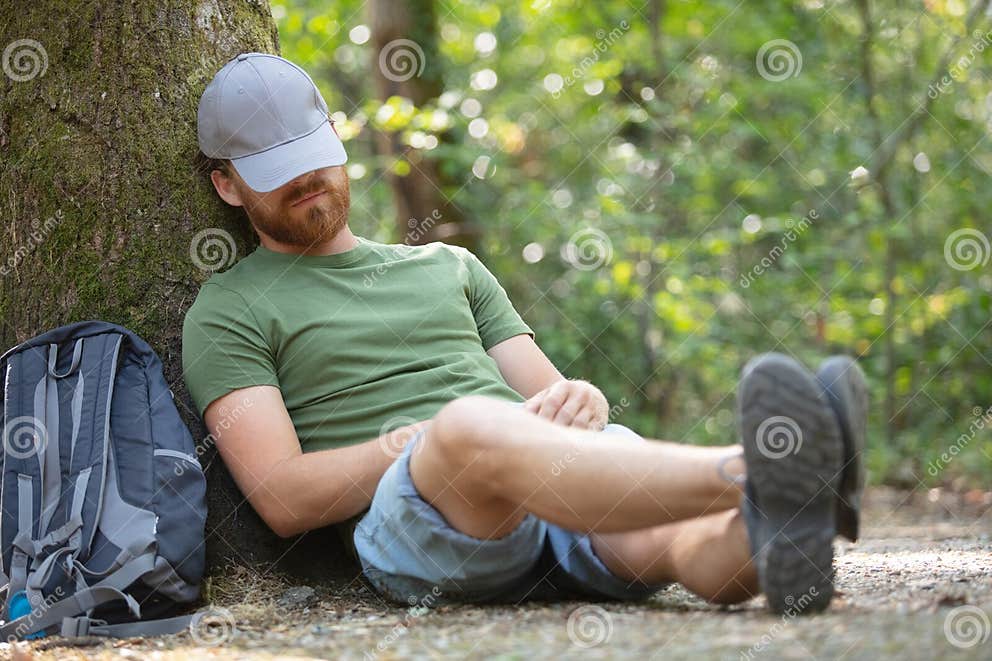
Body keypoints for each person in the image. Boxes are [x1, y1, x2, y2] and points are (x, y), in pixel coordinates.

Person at [183, 53, 867, 614]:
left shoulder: (448, 264)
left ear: (335, 136)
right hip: (428, 518)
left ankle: (785, 529)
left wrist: (583, 400)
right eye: (277, 171)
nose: (306, 180)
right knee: (466, 428)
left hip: (557, 478)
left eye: (312, 154)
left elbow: (554, 397)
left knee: (680, 542)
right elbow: (281, 496)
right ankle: (784, 464)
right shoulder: (229, 307)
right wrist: (417, 439)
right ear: (228, 186)